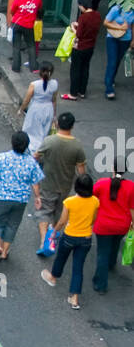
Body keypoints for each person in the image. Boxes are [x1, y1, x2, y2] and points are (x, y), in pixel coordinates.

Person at [0, 131, 44, 261]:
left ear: (12, 143)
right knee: (13, 224)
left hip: (1, 197)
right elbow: (35, 183)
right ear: (26, 145)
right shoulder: (31, 162)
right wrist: (37, 197)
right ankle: (5, 252)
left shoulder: (1, 158)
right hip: (21, 200)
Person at [40, 173, 99, 309]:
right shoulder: (95, 201)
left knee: (61, 258)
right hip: (86, 238)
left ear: (76, 186)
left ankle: (53, 277)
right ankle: (74, 298)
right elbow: (93, 220)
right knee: (78, 267)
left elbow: (62, 221)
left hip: (69, 236)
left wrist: (55, 231)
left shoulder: (69, 202)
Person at [34, 112, 87, 256]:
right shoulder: (77, 146)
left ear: (57, 124)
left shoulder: (49, 141)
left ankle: (44, 241)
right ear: (72, 126)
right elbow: (81, 170)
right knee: (59, 212)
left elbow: (36, 156)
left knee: (44, 211)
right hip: (65, 186)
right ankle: (53, 235)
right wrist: (82, 187)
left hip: (47, 184)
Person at [92, 166, 134, 293]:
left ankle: (100, 285)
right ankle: (111, 264)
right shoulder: (131, 187)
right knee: (115, 245)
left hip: (103, 225)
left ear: (113, 168)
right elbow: (132, 208)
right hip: (122, 225)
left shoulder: (102, 184)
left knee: (102, 253)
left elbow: (91, 197)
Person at [61, 0, 101, 100]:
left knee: (75, 70)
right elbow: (91, 28)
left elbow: (78, 35)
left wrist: (73, 27)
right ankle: (82, 91)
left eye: (80, 6)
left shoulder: (83, 17)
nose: (80, 8)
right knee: (85, 68)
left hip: (80, 47)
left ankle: (73, 94)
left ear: (83, 5)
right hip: (90, 47)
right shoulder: (97, 15)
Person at [19, 64, 57, 155]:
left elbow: (27, 100)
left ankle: (32, 152)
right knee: (44, 132)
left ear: (40, 72)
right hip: (49, 109)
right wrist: (54, 115)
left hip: (36, 109)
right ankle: (40, 151)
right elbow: (54, 100)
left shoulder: (34, 85)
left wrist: (21, 109)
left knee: (32, 131)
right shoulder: (55, 84)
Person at [103, 0, 134, 98]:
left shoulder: (133, 11)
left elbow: (133, 26)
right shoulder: (116, 9)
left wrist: (133, 40)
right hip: (112, 38)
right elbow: (106, 22)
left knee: (117, 61)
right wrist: (120, 28)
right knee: (112, 62)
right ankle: (109, 88)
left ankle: (110, 79)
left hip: (125, 40)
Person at [9, 0, 42, 73]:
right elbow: (39, 9)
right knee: (31, 46)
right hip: (29, 26)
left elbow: (12, 11)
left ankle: (16, 67)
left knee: (16, 46)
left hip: (17, 24)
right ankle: (34, 67)